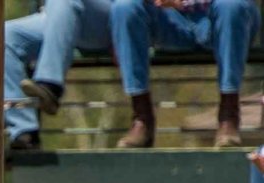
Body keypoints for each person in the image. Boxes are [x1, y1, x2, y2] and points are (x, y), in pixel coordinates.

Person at [110, 0, 260, 148]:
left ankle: (229, 115)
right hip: (169, 17)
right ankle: (142, 118)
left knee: (232, 4)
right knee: (124, 7)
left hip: (221, 13)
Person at [3, 0, 115, 152]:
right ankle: (24, 132)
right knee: (6, 36)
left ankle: (50, 85)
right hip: (59, 13)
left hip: (105, 17)